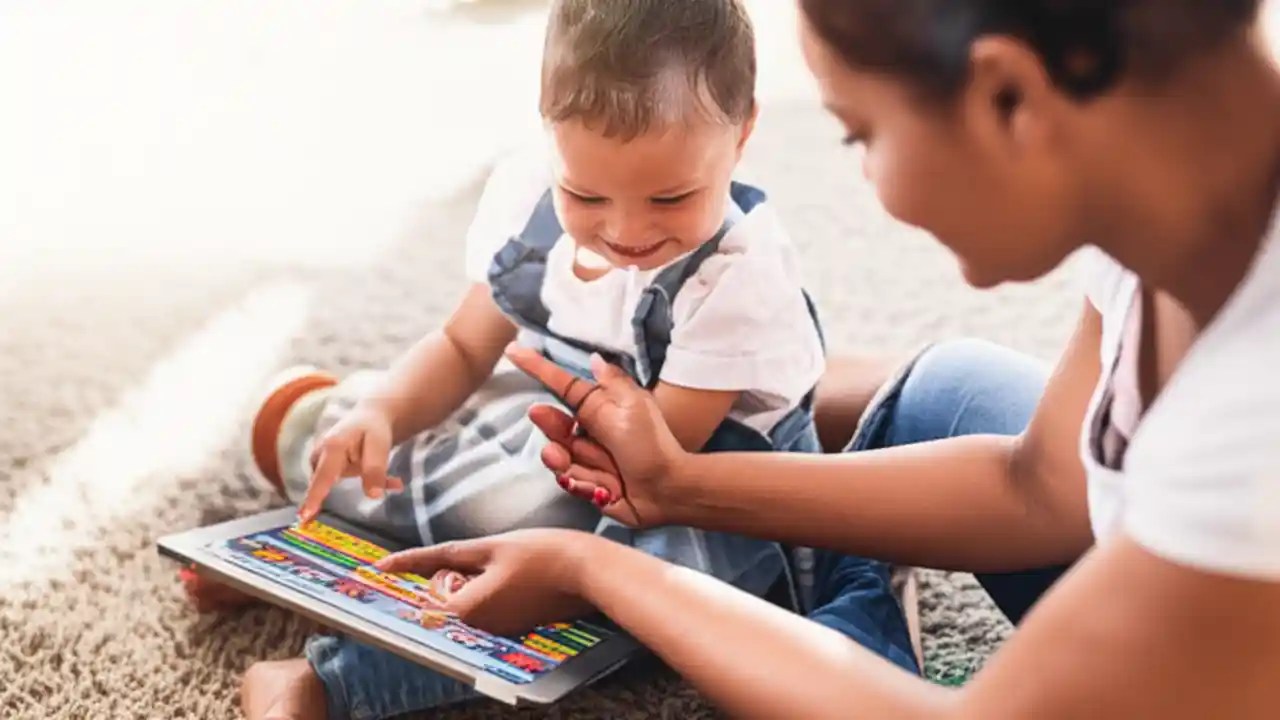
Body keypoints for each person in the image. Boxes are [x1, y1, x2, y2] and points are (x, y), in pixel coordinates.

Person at [377, 0, 1280, 717]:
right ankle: (769, 398)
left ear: (1008, 95)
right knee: (952, 385)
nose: (868, 182)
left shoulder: (1250, 414)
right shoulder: (1163, 198)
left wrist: (598, 570)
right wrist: (681, 484)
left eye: (859, 133)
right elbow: (1044, 489)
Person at [189, 2, 919, 718]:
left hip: (671, 478)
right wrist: (386, 412)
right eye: (585, 192)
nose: (626, 231)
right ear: (548, 134)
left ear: (743, 135)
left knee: (639, 595)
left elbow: (651, 470)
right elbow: (462, 345)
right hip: (545, 424)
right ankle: (306, 552)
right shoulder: (527, 197)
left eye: (671, 196)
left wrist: (544, 547)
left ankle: (329, 684)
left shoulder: (739, 275)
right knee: (375, 449)